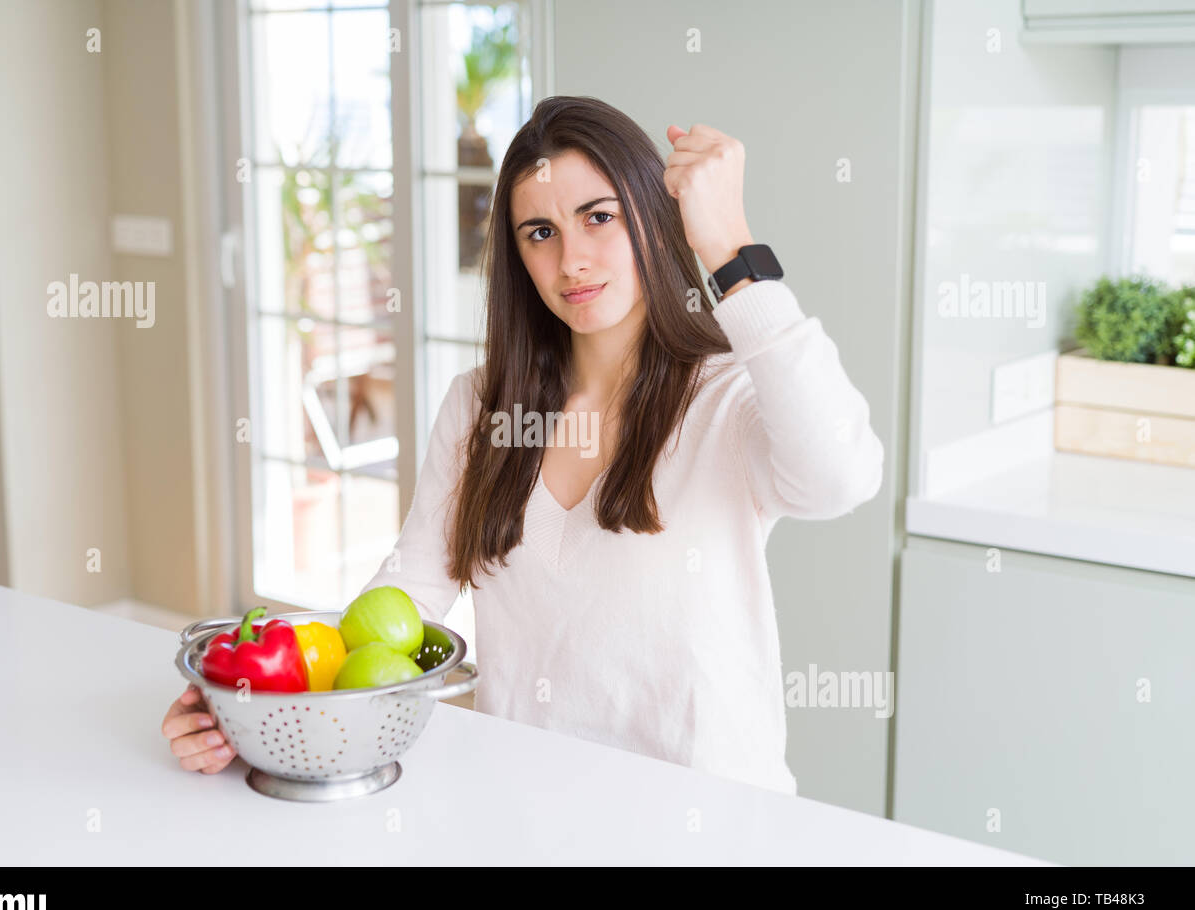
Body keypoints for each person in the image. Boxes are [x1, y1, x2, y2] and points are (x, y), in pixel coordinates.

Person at [163, 95, 883, 792]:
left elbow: (841, 476)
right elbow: (405, 602)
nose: (571, 259)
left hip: (709, 829)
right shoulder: (481, 407)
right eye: (540, 232)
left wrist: (730, 247)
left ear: (656, 223)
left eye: (598, 217)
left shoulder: (728, 398)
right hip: (522, 809)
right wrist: (255, 701)